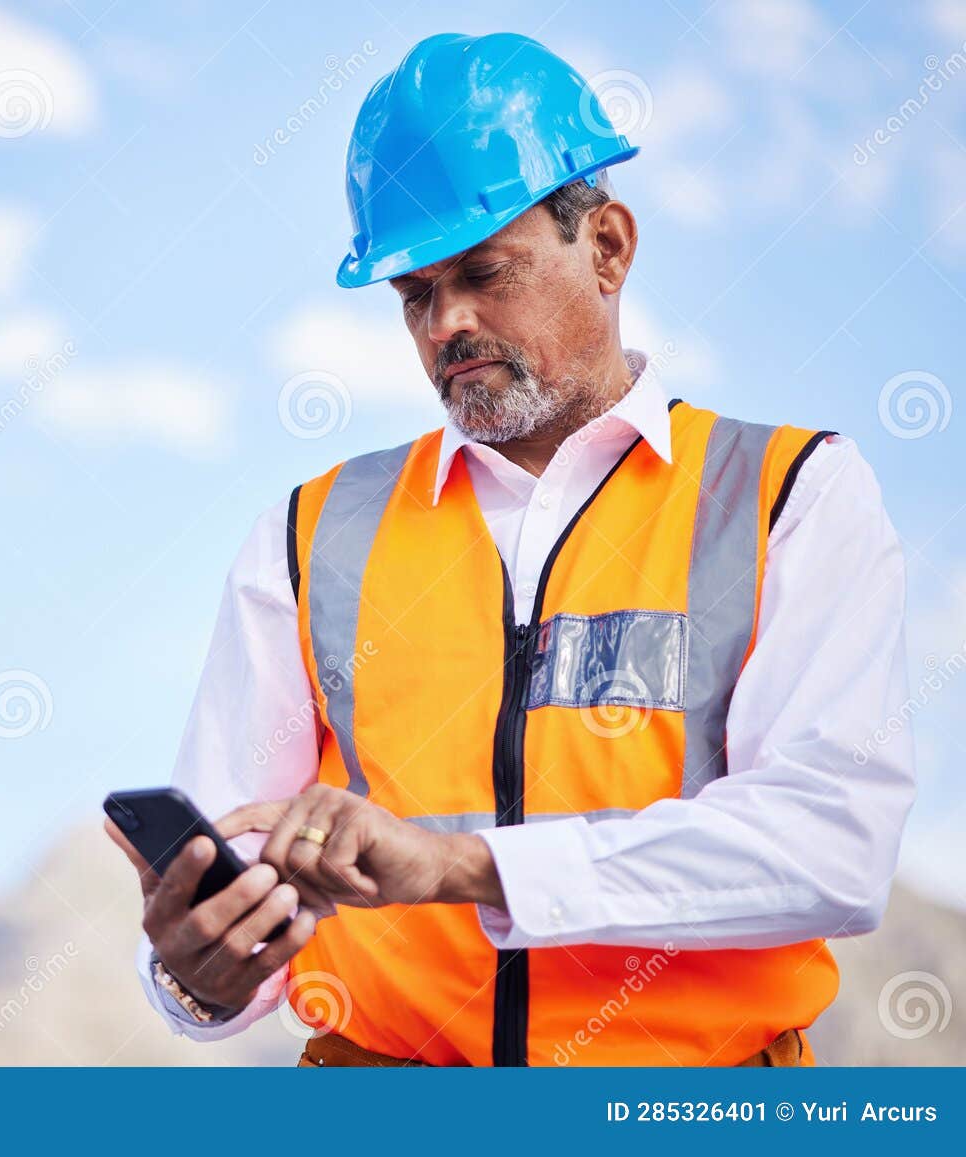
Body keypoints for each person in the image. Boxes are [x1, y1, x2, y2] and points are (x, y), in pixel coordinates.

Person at [106, 31, 915, 1067]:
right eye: (412, 293)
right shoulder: (309, 537)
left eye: (484, 272)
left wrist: (467, 867)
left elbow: (832, 848)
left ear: (609, 247)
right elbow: (235, 892)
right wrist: (195, 974)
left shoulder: (786, 497)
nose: (445, 322)